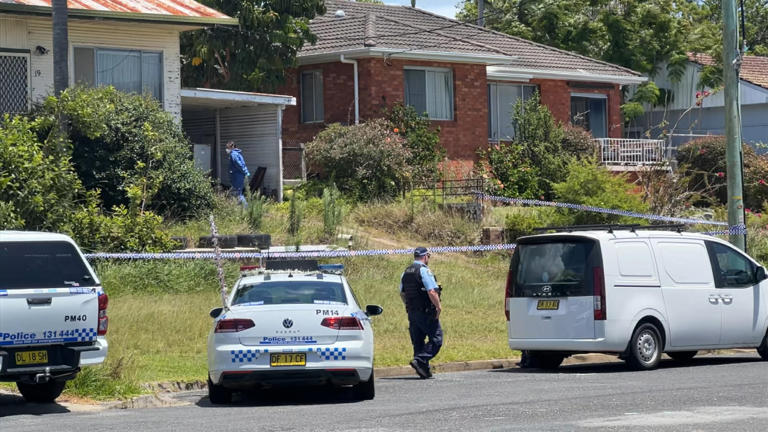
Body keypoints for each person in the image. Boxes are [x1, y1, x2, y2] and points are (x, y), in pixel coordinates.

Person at [399, 246, 443, 379]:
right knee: (436, 339)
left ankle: (423, 370)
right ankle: (420, 360)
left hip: (412, 312)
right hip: (426, 312)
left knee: (418, 341)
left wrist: (409, 305)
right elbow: (431, 291)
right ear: (425, 256)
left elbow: (402, 293)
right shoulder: (424, 271)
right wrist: (438, 306)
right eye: (428, 257)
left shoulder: (405, 272)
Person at [226, 141, 250, 205]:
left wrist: (245, 171)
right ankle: (240, 208)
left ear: (232, 147)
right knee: (237, 193)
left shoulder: (233, 154)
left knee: (238, 193)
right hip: (239, 176)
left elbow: (238, 164)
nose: (227, 149)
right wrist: (246, 171)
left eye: (227, 147)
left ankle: (246, 208)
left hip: (237, 176)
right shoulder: (238, 153)